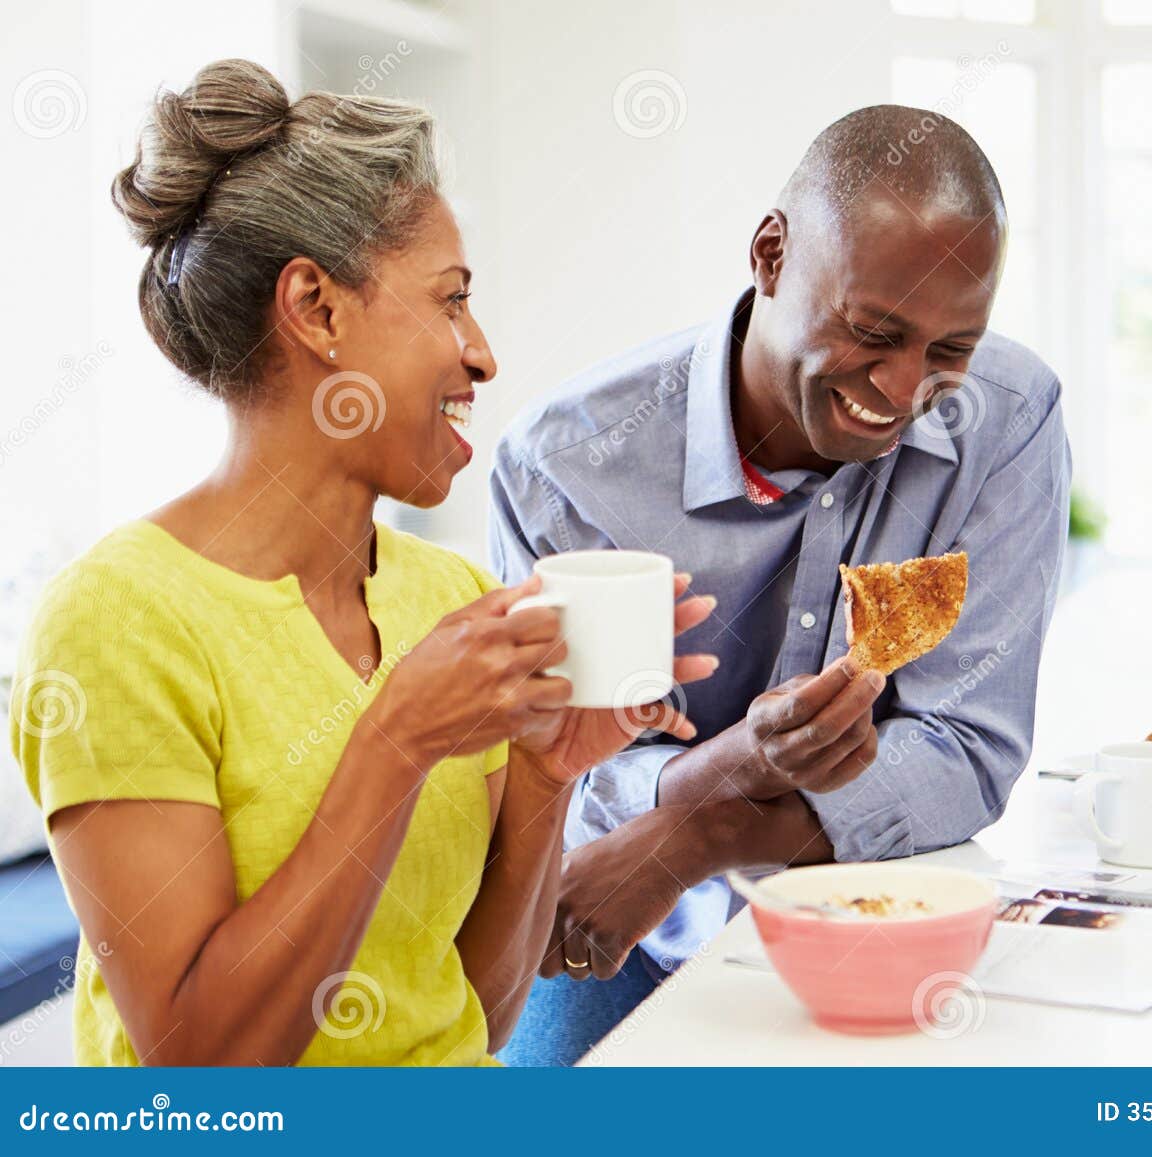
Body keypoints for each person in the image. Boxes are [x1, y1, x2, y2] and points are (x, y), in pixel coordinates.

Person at [6, 59, 715, 1067]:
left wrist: (548, 777)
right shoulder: (118, 619)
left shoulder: (454, 600)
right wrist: (394, 745)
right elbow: (198, 1072)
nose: (482, 354)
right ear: (318, 308)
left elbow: (468, 1015)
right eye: (450, 300)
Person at [489, 105, 1070, 1065]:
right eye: (872, 332)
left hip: (874, 911)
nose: (903, 388)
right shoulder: (569, 468)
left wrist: (703, 834)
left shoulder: (1006, 420)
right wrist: (728, 772)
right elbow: (570, 772)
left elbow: (968, 746)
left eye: (950, 351)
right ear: (769, 255)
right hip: (627, 924)